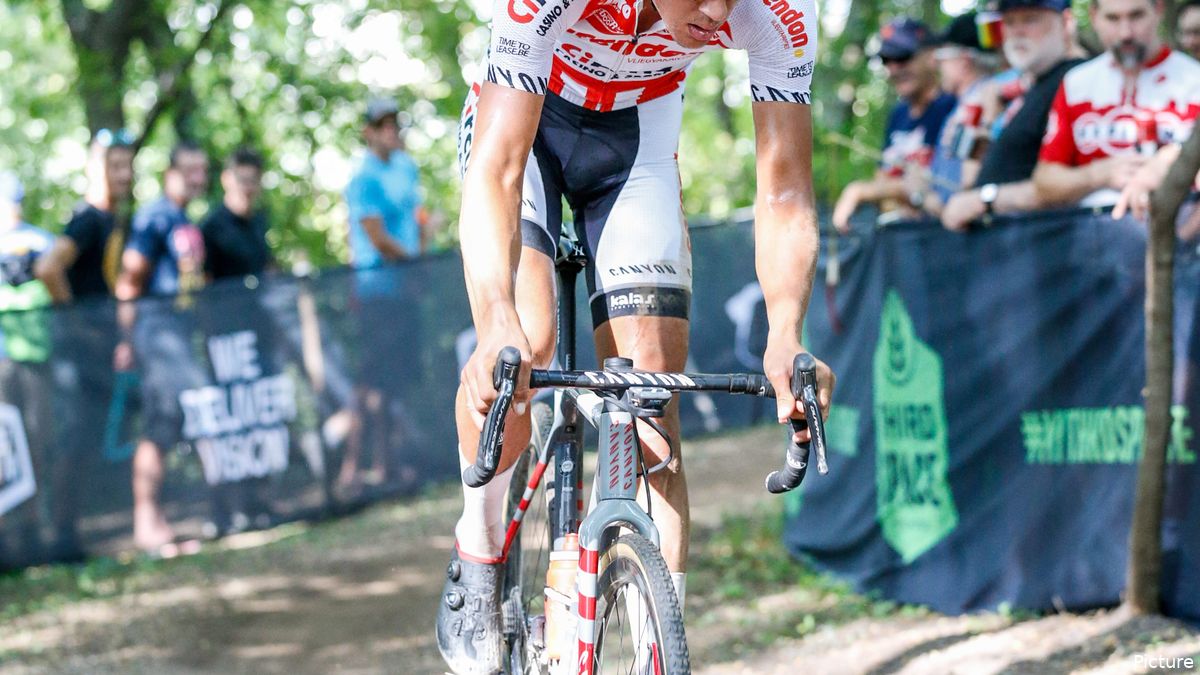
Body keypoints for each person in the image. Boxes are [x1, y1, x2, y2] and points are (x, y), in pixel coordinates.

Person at [438, 1, 835, 672]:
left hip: (639, 142)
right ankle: (478, 547)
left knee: (651, 393)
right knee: (523, 348)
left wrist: (787, 330)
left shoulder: (780, 11)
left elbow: (786, 190)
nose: (717, 11)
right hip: (527, 133)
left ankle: (656, 651)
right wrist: (494, 310)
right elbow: (499, 168)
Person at [115, 141, 209, 554]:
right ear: (171, 171)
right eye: (190, 170)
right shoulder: (155, 215)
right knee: (160, 423)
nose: (198, 178)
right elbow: (129, 279)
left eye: (202, 171)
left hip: (179, 334)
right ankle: (146, 526)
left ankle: (162, 523)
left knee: (171, 424)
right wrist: (126, 338)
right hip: (156, 334)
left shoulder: (182, 218)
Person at [338, 99, 429, 498]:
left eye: (395, 123)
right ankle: (351, 469)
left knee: (397, 383)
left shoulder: (407, 167)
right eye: (382, 125)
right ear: (368, 131)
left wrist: (421, 256)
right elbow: (375, 236)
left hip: (405, 293)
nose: (391, 130)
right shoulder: (363, 178)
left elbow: (418, 217)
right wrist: (414, 264)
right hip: (376, 293)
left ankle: (387, 466)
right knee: (369, 383)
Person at [1033, 0, 1200, 216]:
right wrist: (1097, 174)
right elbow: (1045, 182)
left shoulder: (1194, 79)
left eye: (1136, 16)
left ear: (1158, 10)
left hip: (1177, 230)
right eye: (1113, 18)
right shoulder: (1077, 83)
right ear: (1094, 17)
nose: (1126, 33)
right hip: (1091, 233)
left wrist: (1172, 166)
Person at [940, 0, 1083, 231]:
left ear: (1066, 23)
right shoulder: (1030, 87)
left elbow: (1071, 183)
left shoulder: (1076, 82)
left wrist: (984, 199)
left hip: (1046, 245)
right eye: (1008, 21)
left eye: (1030, 19)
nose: (1017, 31)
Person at [833, 17, 957, 232]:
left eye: (902, 58)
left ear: (931, 56)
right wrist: (893, 193)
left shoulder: (951, 107)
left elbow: (940, 184)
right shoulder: (897, 115)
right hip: (903, 241)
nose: (893, 68)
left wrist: (861, 191)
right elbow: (884, 182)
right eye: (886, 60)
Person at [0, 172, 62, 563]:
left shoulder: (43, 241)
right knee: (11, 446)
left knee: (33, 442)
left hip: (35, 360)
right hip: (7, 362)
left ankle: (30, 530)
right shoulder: (45, 242)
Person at [907, 11, 1001, 216]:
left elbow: (965, 191)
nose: (937, 65)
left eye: (942, 57)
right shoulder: (970, 102)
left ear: (963, 61)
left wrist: (920, 193)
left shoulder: (976, 105)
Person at [201, 147, 271, 280]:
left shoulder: (259, 222)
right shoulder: (210, 229)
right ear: (226, 179)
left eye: (253, 180)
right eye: (242, 180)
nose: (247, 188)